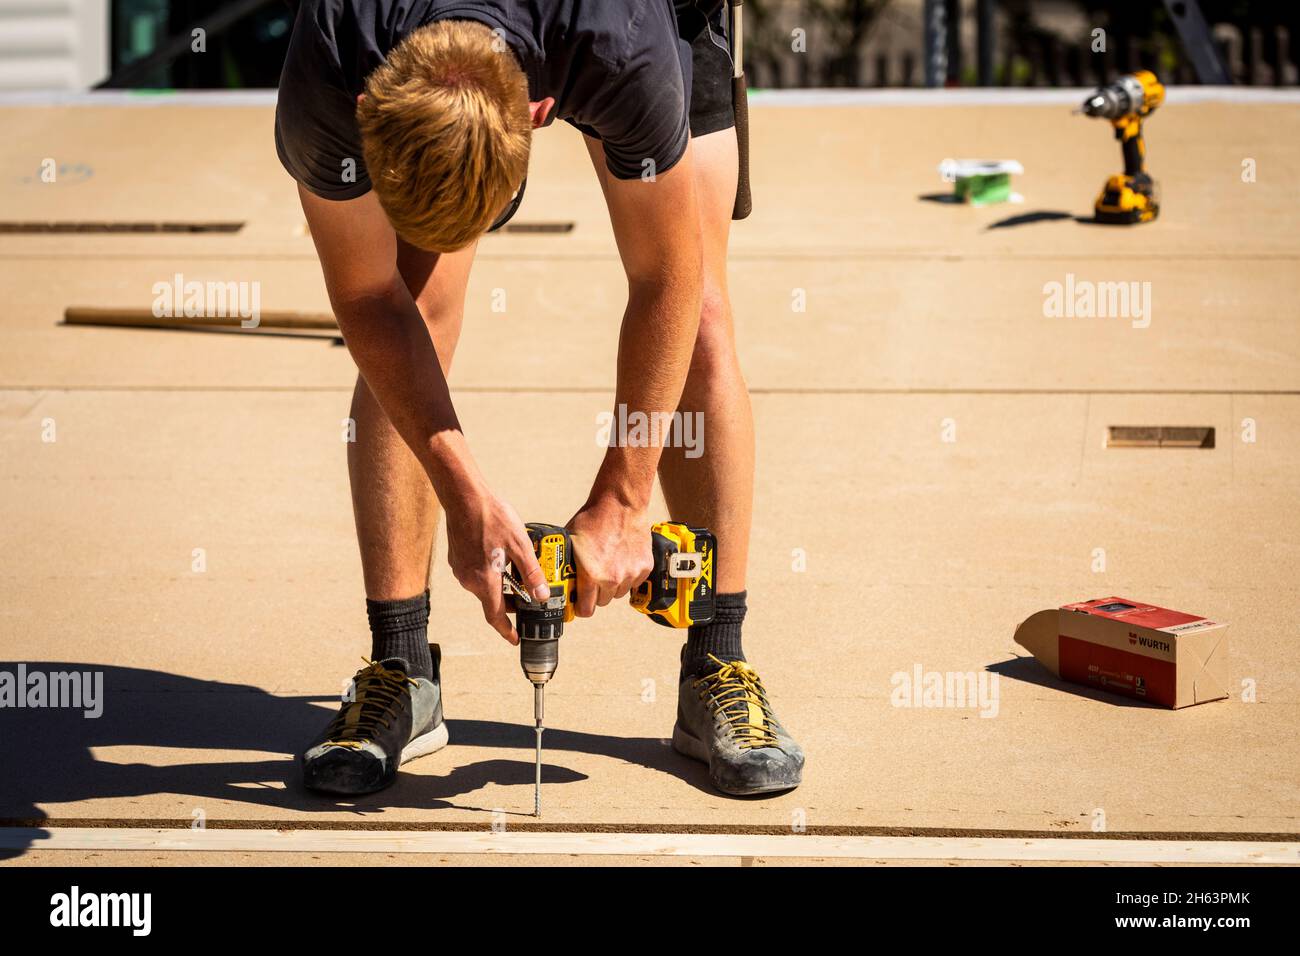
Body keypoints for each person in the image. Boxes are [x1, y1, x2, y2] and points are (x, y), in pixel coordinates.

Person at [275, 0, 803, 797]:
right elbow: (368, 301)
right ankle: (401, 667)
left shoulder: (622, 49)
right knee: (413, 308)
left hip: (655, 18)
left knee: (703, 314)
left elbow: (667, 277)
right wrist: (464, 494)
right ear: (364, 106)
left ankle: (718, 658)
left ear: (539, 111)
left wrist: (624, 499)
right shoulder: (331, 53)